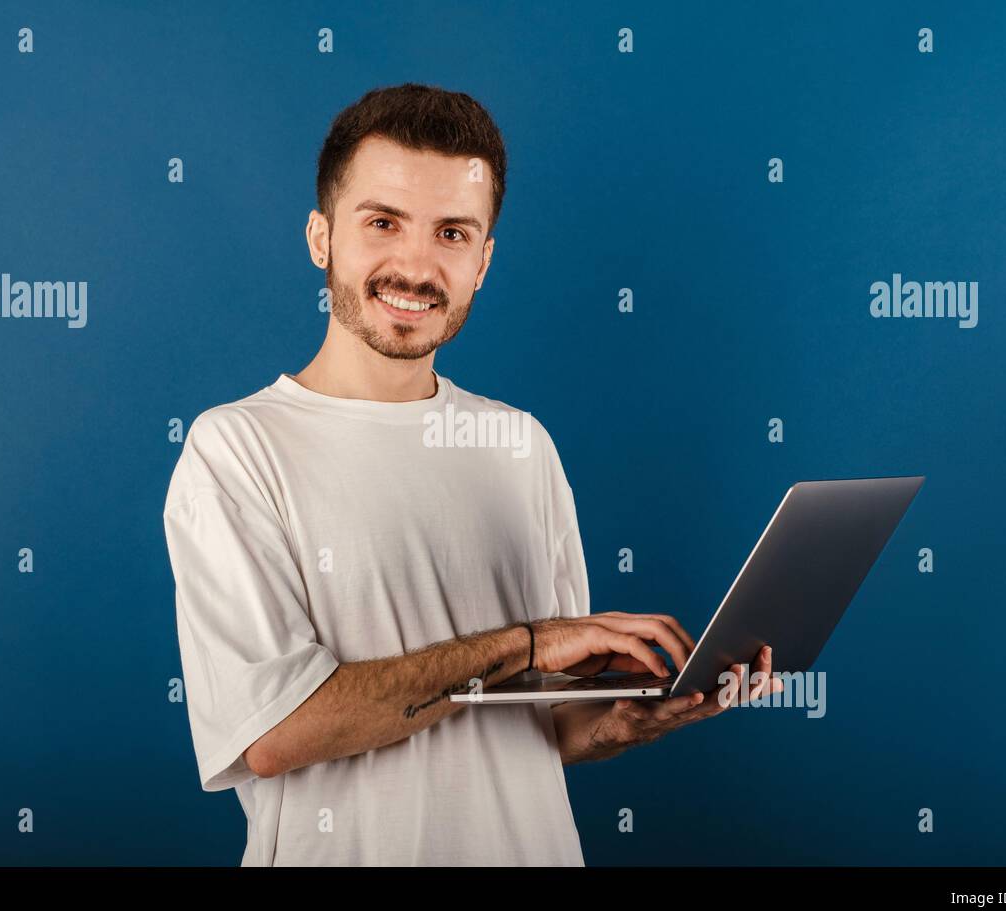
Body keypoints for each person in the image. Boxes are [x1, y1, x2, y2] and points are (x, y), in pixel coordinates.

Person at [162, 82, 779, 866]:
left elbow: (553, 724)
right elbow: (277, 733)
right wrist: (529, 641)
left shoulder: (520, 444)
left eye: (452, 233)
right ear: (320, 237)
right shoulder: (235, 450)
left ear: (483, 260)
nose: (416, 266)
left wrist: (627, 721)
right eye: (382, 222)